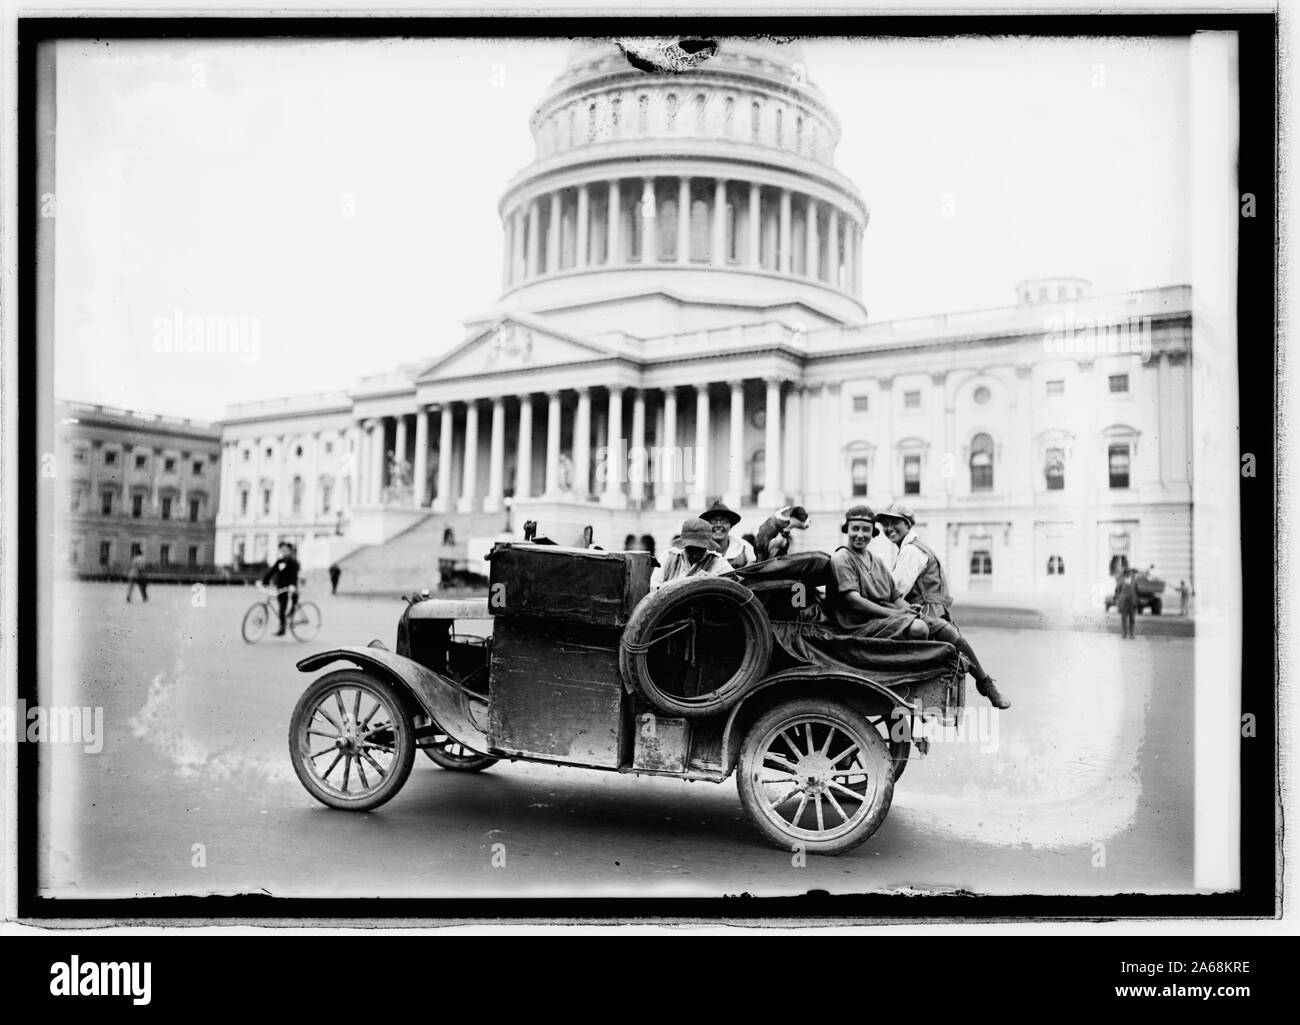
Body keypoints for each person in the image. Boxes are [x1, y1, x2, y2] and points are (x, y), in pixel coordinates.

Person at [854, 503, 1010, 709]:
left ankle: (985, 684)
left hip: (927, 611)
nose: (889, 528)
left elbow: (895, 591)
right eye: (885, 524)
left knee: (952, 641)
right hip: (931, 611)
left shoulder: (911, 551)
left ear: (907, 524)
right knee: (955, 642)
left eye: (894, 523)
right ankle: (985, 683)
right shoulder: (913, 547)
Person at [649, 517, 735, 588]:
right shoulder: (668, 557)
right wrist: (691, 580)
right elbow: (654, 587)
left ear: (707, 546)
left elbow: (734, 585)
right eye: (691, 548)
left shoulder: (718, 563)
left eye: (700, 549)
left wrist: (712, 581)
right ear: (684, 545)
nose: (695, 553)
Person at [700, 500, 756, 570]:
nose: (718, 525)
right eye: (713, 521)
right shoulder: (699, 550)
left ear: (731, 525)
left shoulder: (743, 547)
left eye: (724, 521)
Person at [261, 542, 301, 636]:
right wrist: (264, 580)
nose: (284, 552)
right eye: (282, 550)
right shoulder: (280, 561)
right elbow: (272, 571)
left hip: (290, 588)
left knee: (282, 609)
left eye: (286, 550)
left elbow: (294, 576)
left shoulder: (293, 563)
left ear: (290, 551)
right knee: (281, 609)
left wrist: (292, 585)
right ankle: (284, 624)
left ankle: (283, 628)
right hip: (281, 587)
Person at [1115, 567, 1138, 639]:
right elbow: (1117, 591)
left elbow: (1137, 592)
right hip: (1124, 603)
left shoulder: (1134, 581)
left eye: (1129, 573)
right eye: (1127, 573)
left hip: (1132, 602)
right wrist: (1118, 601)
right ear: (1124, 574)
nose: (1129, 574)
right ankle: (1124, 633)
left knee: (1132, 619)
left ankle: (1132, 633)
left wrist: (1136, 601)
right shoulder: (1120, 581)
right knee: (1124, 619)